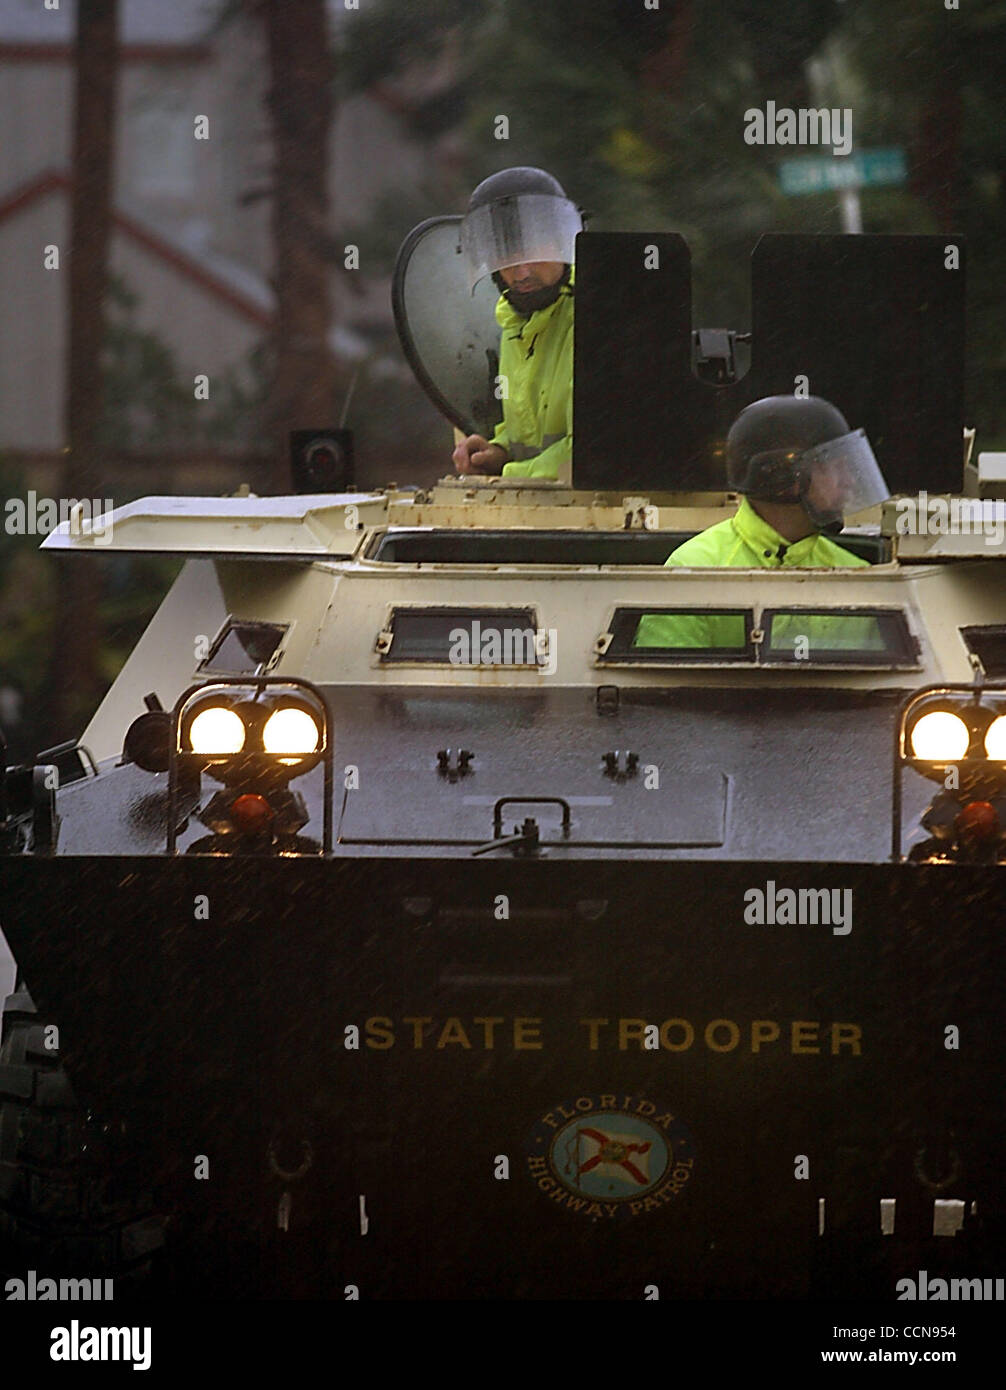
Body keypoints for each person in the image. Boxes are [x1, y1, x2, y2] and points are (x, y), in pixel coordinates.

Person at [634, 395, 891, 652]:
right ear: (781, 474)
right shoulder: (693, 569)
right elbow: (669, 684)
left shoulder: (857, 574)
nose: (850, 482)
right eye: (835, 468)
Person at [452, 167, 580, 480]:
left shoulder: (599, 318)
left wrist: (508, 474)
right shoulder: (513, 324)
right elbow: (529, 432)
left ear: (564, 243)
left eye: (535, 250)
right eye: (506, 257)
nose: (521, 273)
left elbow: (593, 451)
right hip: (534, 516)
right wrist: (499, 450)